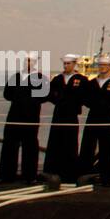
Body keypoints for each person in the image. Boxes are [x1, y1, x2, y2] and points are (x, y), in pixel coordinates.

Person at [0, 53, 46, 184]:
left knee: (30, 146)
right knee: (9, 145)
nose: (28, 63)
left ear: (35, 62)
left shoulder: (41, 78)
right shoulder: (16, 76)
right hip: (14, 115)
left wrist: (28, 99)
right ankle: (6, 175)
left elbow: (44, 95)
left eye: (31, 61)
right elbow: (7, 94)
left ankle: (30, 176)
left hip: (31, 116)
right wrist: (20, 98)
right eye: (27, 60)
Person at [78, 55, 110, 186]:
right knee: (87, 146)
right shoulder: (92, 83)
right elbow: (85, 98)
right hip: (92, 117)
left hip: (106, 118)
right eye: (100, 65)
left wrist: (109, 107)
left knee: (107, 149)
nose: (102, 68)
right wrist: (94, 104)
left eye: (105, 65)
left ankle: (107, 177)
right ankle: (84, 174)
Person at [43, 54, 88, 182]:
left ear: (74, 64)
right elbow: (49, 94)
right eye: (65, 64)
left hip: (71, 114)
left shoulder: (81, 80)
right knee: (55, 143)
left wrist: (74, 102)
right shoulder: (57, 79)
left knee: (71, 142)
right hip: (59, 114)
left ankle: (70, 172)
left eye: (69, 64)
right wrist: (57, 99)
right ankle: (53, 170)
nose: (66, 66)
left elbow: (85, 96)